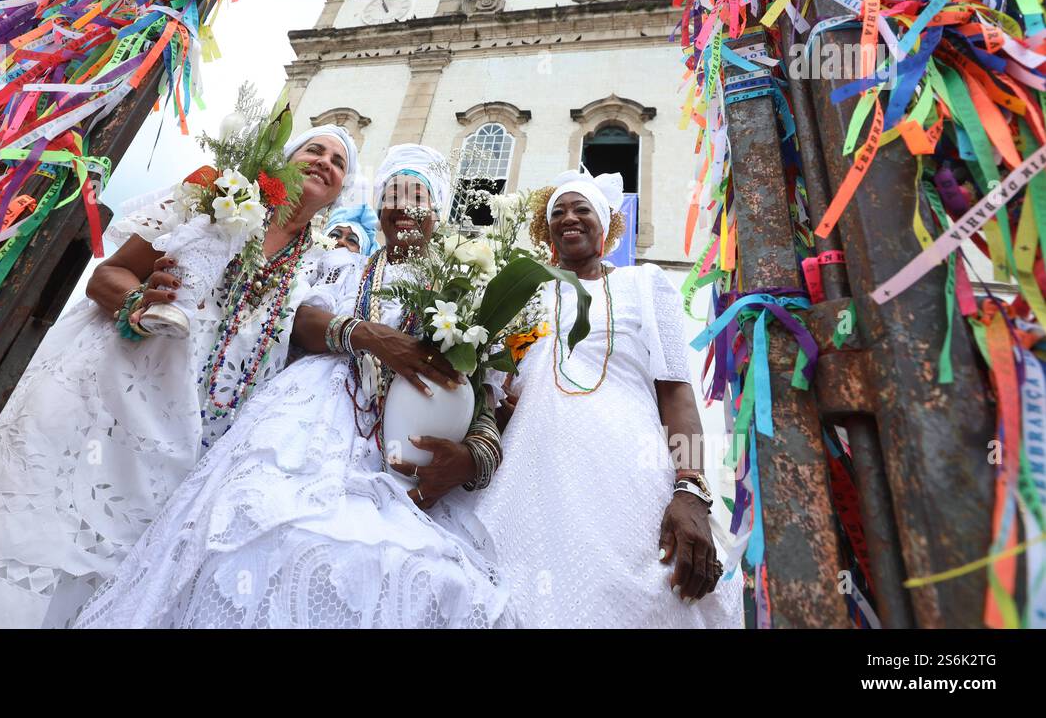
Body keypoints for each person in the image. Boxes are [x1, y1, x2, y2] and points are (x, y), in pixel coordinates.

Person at [0, 125, 358, 629]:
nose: (324, 161)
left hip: (178, 441)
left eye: (338, 162)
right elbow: (107, 275)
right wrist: (137, 302)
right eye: (313, 149)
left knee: (98, 572)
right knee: (25, 534)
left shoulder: (318, 267)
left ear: (342, 191)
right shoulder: (217, 193)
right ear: (284, 159)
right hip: (99, 392)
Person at [73, 144, 509, 628]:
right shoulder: (342, 267)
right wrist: (364, 335)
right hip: (313, 413)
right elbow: (296, 319)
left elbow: (482, 393)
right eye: (394, 194)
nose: (405, 206)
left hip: (406, 453)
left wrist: (473, 459)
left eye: (419, 196)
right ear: (379, 209)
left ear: (438, 212)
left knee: (422, 574)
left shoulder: (470, 291)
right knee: (256, 519)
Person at [443, 169, 743, 628]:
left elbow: (678, 394)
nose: (569, 218)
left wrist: (691, 488)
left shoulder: (644, 283)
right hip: (528, 477)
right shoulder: (522, 294)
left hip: (629, 471)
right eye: (557, 212)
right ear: (546, 233)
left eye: (582, 209)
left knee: (652, 594)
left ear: (605, 226)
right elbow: (490, 390)